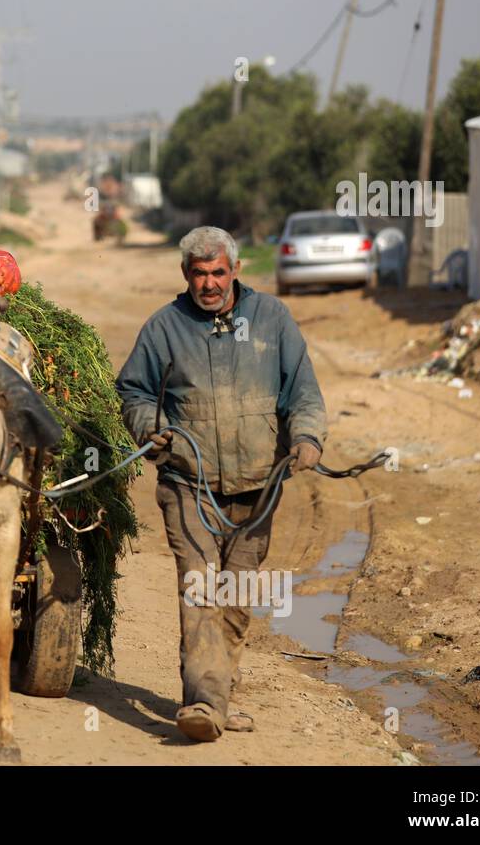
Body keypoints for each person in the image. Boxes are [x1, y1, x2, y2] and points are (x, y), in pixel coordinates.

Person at [114, 226, 327, 742]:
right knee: (201, 588)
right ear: (185, 275)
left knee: (235, 597)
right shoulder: (165, 327)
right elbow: (134, 391)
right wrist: (150, 428)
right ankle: (205, 703)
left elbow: (302, 392)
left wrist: (307, 438)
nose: (208, 283)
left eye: (217, 273)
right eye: (198, 274)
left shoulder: (272, 319)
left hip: (257, 488)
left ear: (234, 270)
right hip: (187, 484)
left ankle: (220, 693)